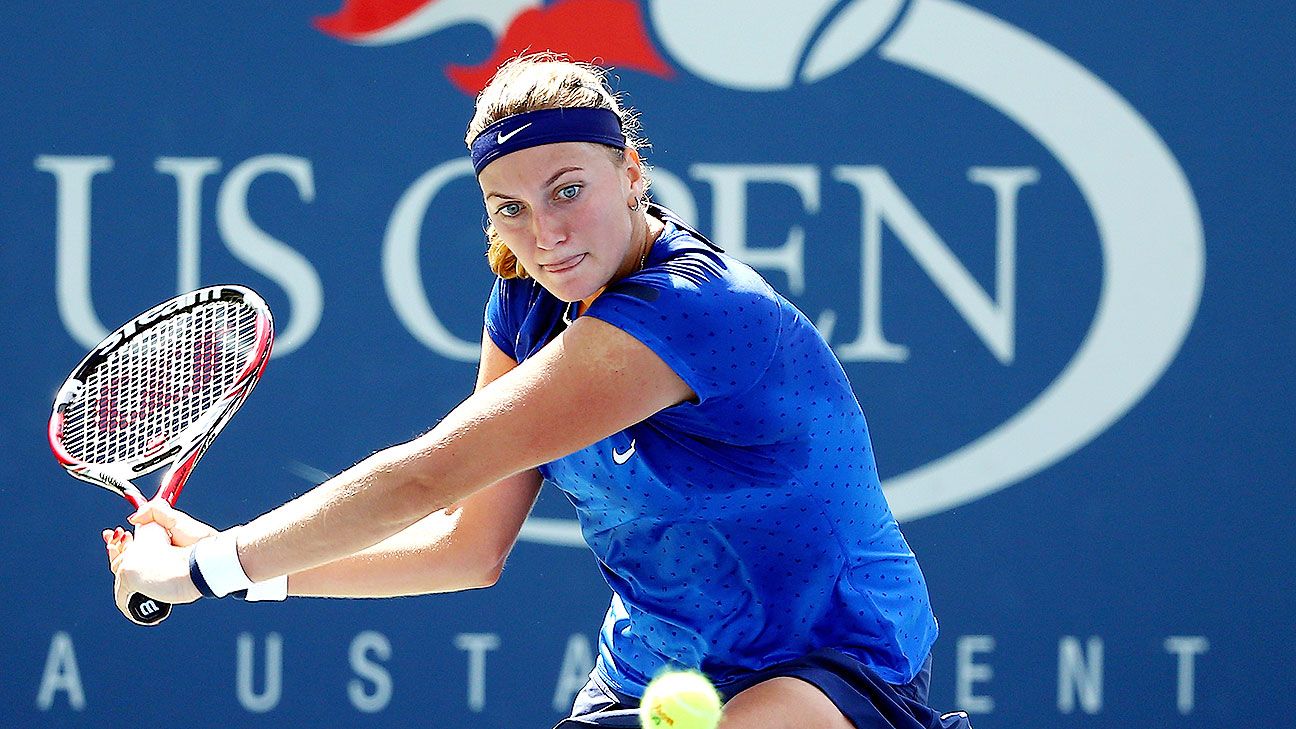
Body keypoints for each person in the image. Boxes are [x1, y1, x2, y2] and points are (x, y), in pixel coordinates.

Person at [107, 54, 971, 729]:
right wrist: (237, 568)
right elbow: (466, 547)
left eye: (568, 191)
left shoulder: (698, 313)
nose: (545, 235)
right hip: (653, 673)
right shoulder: (524, 305)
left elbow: (423, 476)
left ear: (631, 171)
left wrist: (199, 569)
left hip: (831, 658)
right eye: (508, 208)